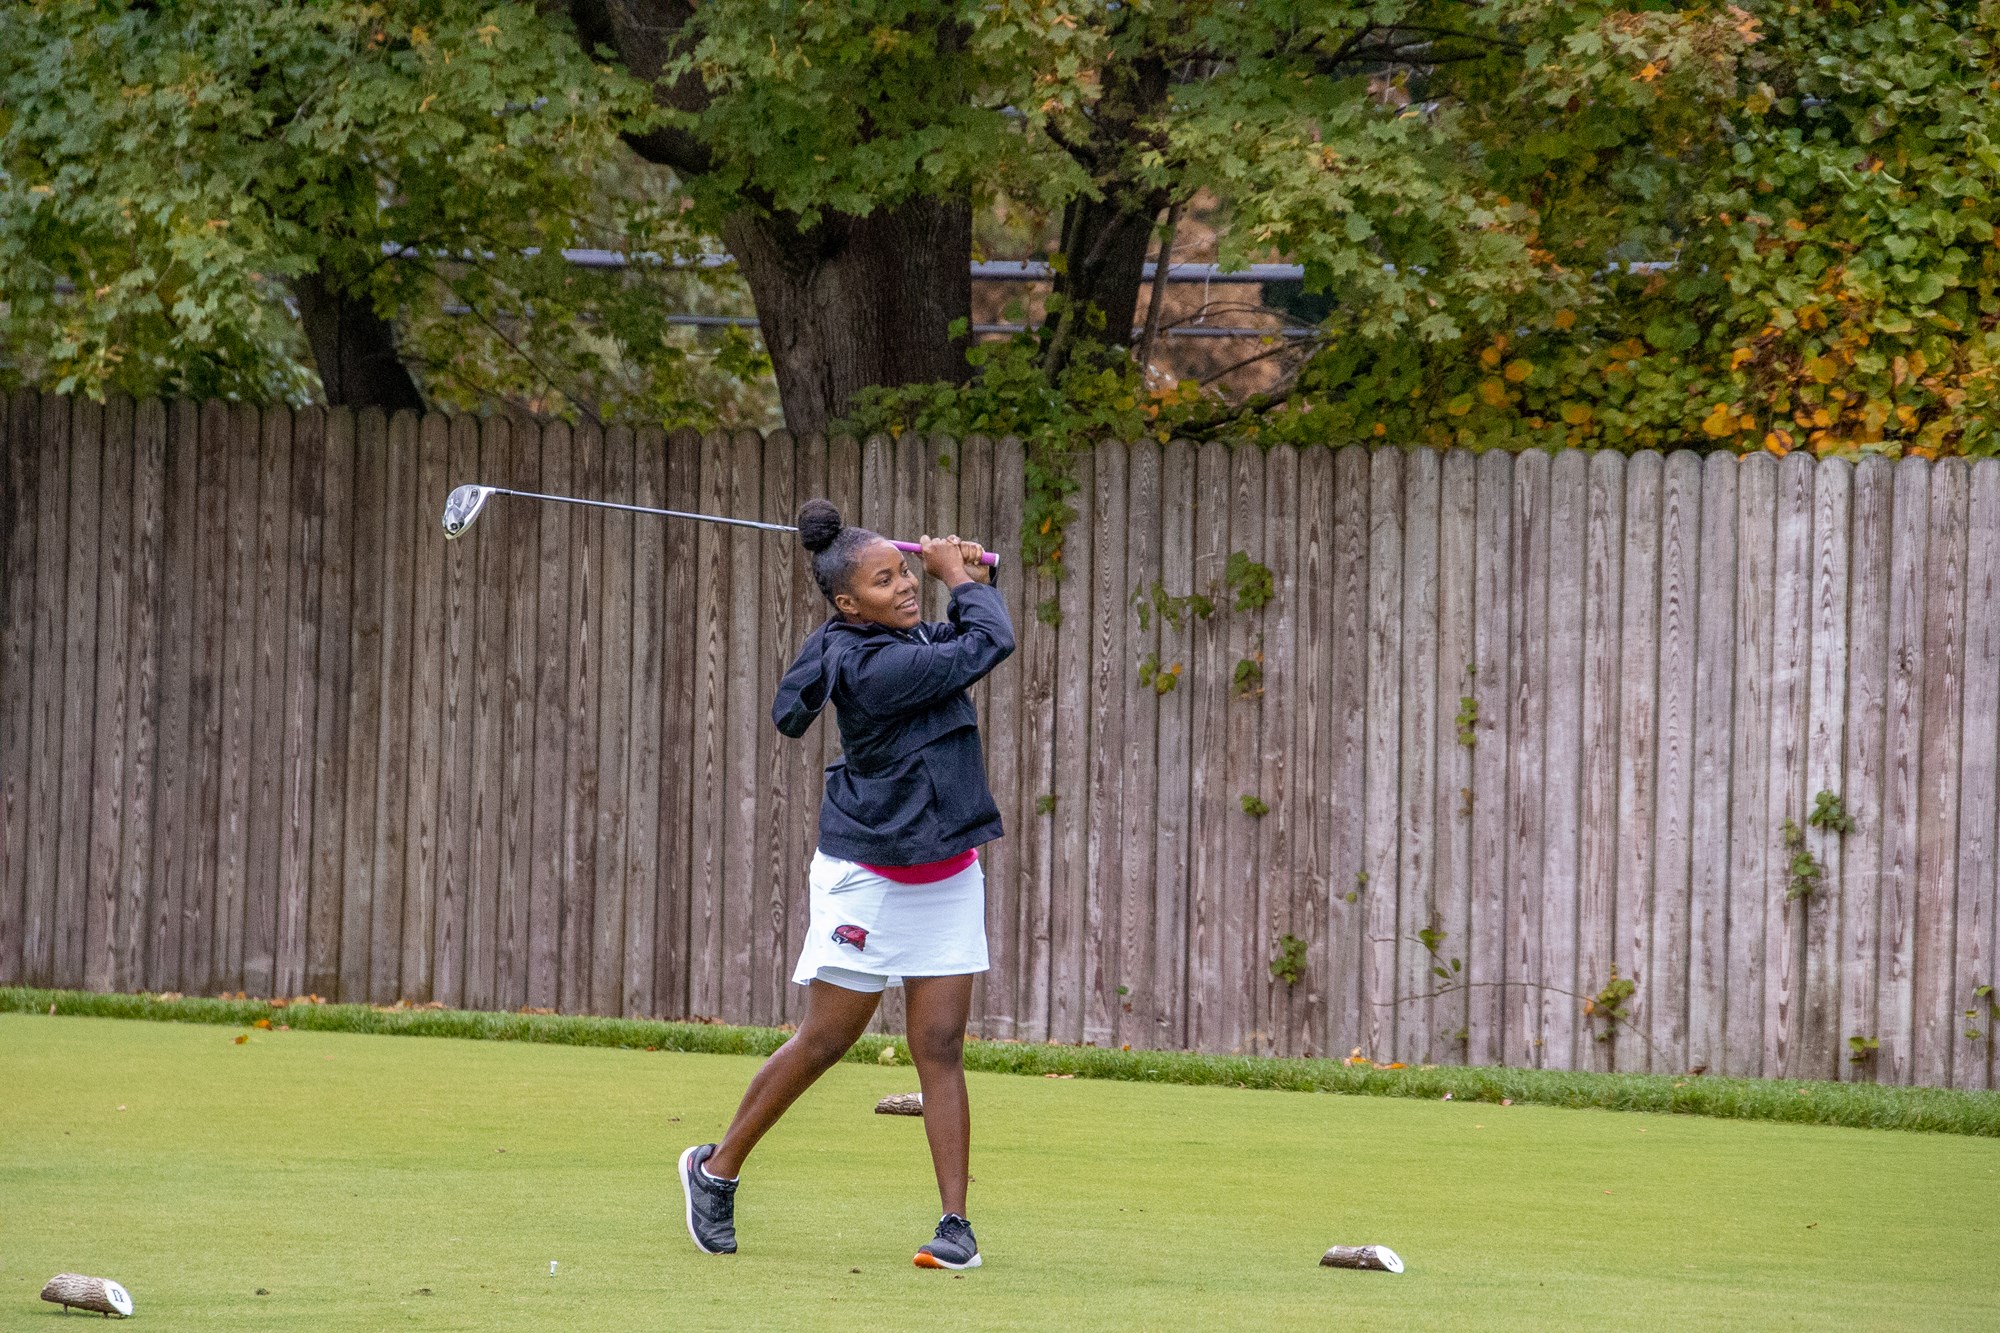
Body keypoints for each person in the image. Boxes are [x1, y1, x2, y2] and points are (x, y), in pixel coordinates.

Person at [678, 497, 1015, 1271]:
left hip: (946, 868)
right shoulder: (877, 665)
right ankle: (715, 1167)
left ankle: (955, 1224)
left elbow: (967, 627)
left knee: (939, 1042)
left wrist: (975, 575)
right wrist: (963, 578)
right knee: (829, 1037)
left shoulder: (891, 635)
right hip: (868, 870)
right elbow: (990, 637)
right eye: (884, 580)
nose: (905, 587)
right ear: (845, 602)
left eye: (904, 573)